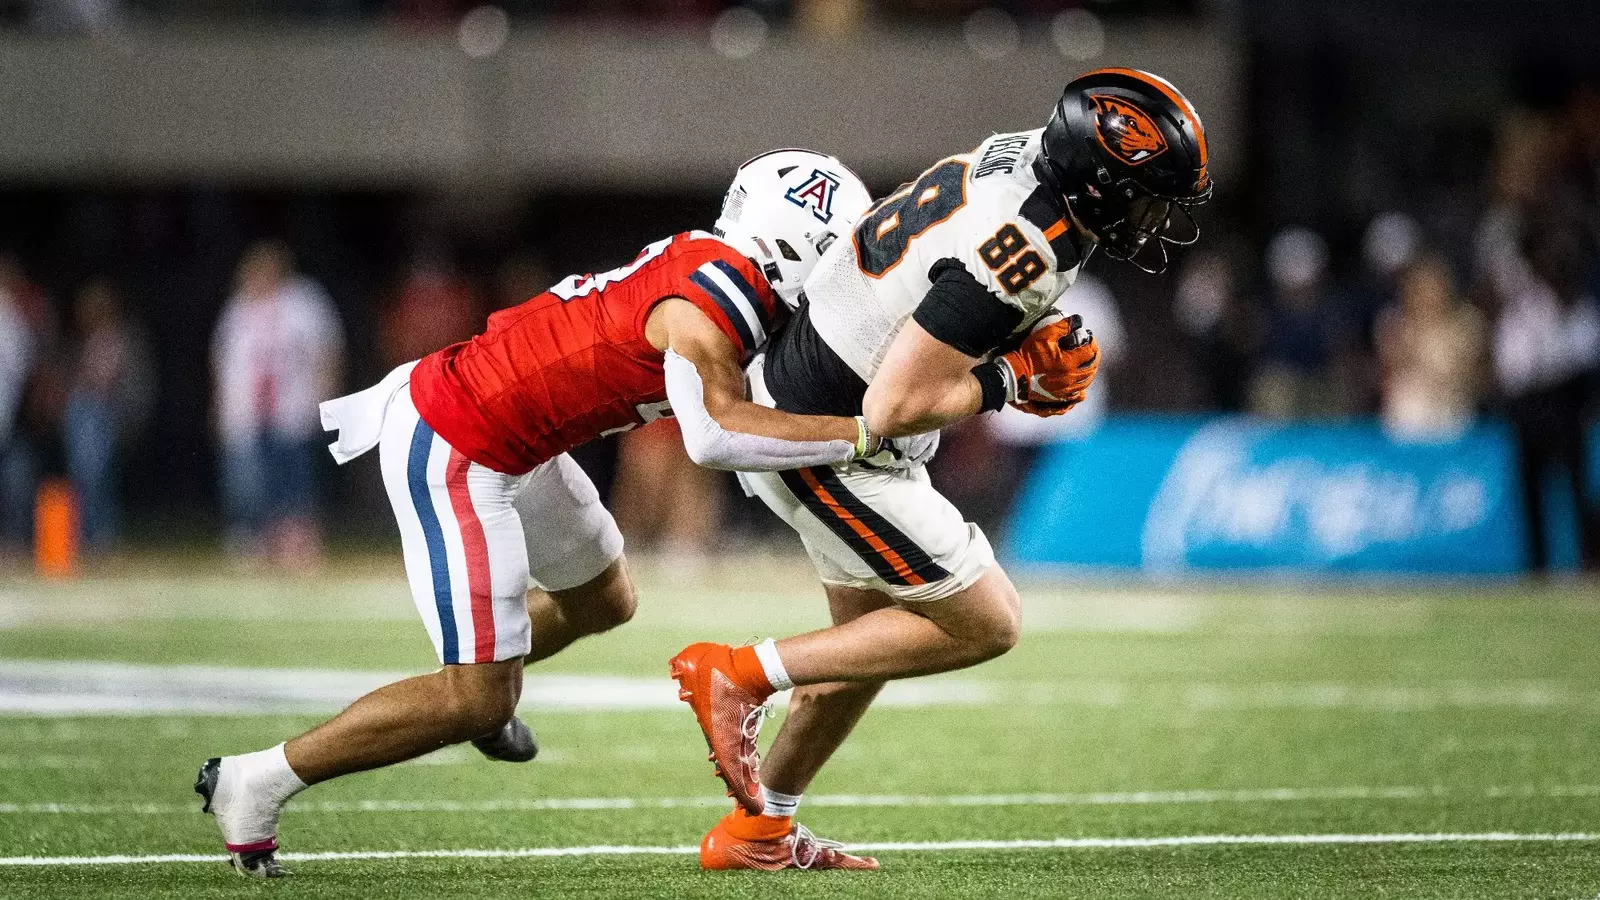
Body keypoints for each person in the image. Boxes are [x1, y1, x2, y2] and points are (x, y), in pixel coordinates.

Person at [193, 150, 924, 878]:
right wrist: (866, 434)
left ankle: (481, 686)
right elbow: (714, 435)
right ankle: (257, 781)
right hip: (458, 441)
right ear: (800, 246)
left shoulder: (721, 268)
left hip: (519, 438)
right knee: (477, 700)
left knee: (606, 600)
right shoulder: (718, 296)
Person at [668, 68, 1209, 870]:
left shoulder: (1025, 157)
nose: (1153, 218)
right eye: (1145, 197)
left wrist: (1007, 348)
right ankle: (738, 674)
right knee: (989, 620)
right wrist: (1012, 378)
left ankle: (760, 832)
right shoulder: (1030, 241)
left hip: (816, 392)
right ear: (1098, 182)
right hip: (831, 437)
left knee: (864, 649)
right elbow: (894, 406)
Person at [211, 241, 345, 569]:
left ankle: (298, 540)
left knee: (294, 476)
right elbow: (222, 360)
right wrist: (219, 403)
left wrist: (325, 395)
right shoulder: (239, 308)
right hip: (246, 411)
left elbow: (327, 350)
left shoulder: (304, 301)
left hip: (291, 407)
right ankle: (255, 536)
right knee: (247, 478)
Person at [61, 278, 154, 553]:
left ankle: (102, 534)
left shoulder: (120, 337)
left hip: (104, 415)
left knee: (97, 474)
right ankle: (83, 534)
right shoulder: (82, 341)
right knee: (81, 475)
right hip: (81, 413)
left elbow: (107, 380)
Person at [1375, 255, 1484, 442]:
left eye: (1434, 286)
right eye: (1421, 287)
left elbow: (1473, 374)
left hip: (1454, 416)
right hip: (1406, 421)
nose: (1428, 294)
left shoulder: (1467, 324)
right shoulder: (1393, 324)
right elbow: (1388, 371)